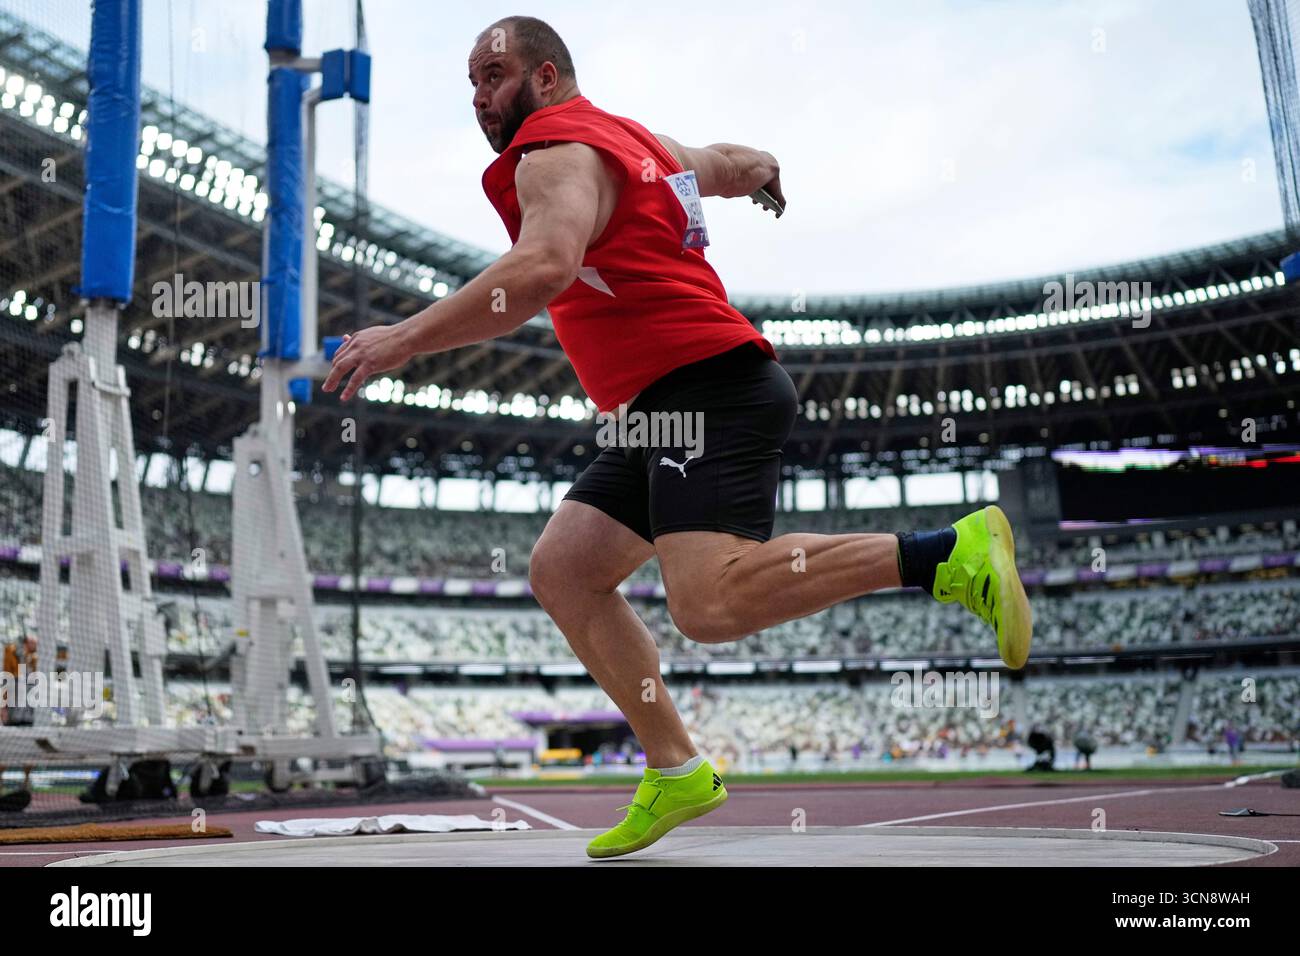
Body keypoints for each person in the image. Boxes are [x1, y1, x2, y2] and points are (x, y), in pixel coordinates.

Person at [324, 16, 1034, 859]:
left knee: (709, 602)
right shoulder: (638, 143)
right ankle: (675, 766)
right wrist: (763, 171)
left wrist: (403, 337)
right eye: (472, 83)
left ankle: (947, 554)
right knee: (564, 571)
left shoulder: (550, 152)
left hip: (709, 386)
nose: (480, 97)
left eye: (494, 74)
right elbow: (724, 163)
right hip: (655, 410)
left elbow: (546, 266)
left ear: (546, 79)